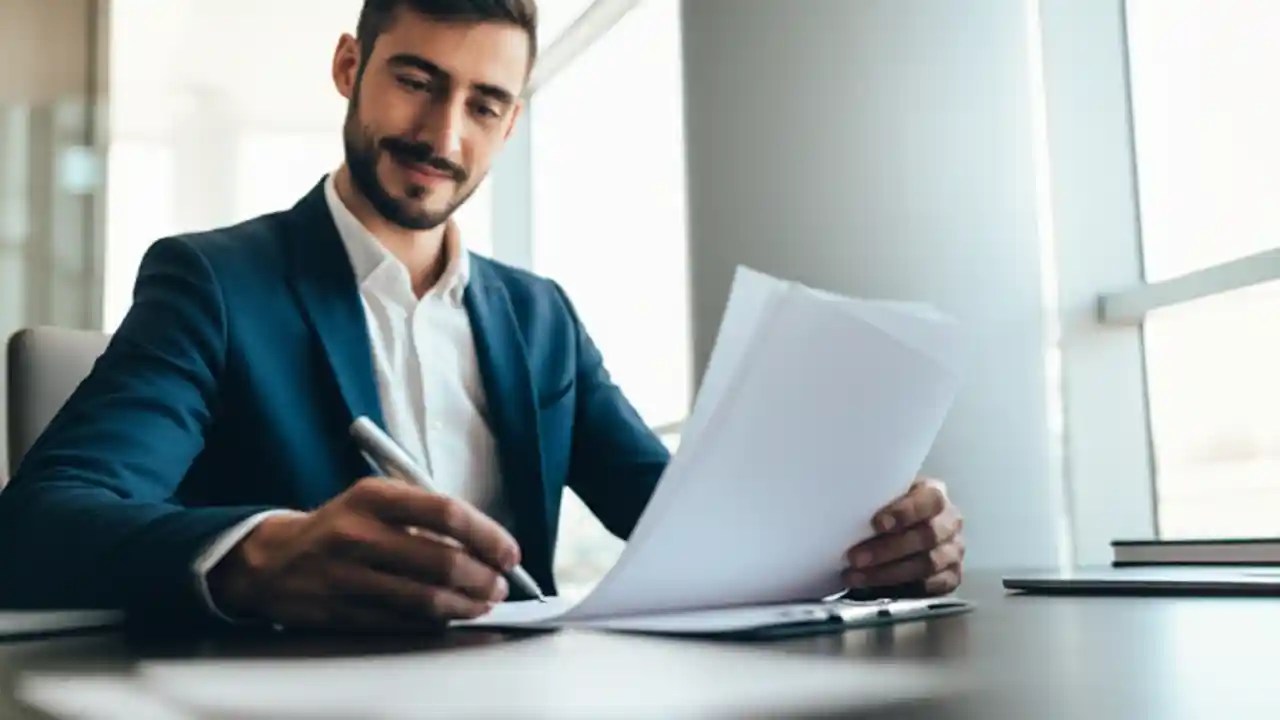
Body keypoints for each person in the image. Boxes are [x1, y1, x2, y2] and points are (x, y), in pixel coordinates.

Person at [0, 0, 965, 629]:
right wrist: (259, 551)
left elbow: (680, 527)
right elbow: (40, 526)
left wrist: (860, 548)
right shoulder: (213, 283)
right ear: (349, 66)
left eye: (485, 103)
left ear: (514, 123)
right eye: (416, 80)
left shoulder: (540, 317)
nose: (442, 135)